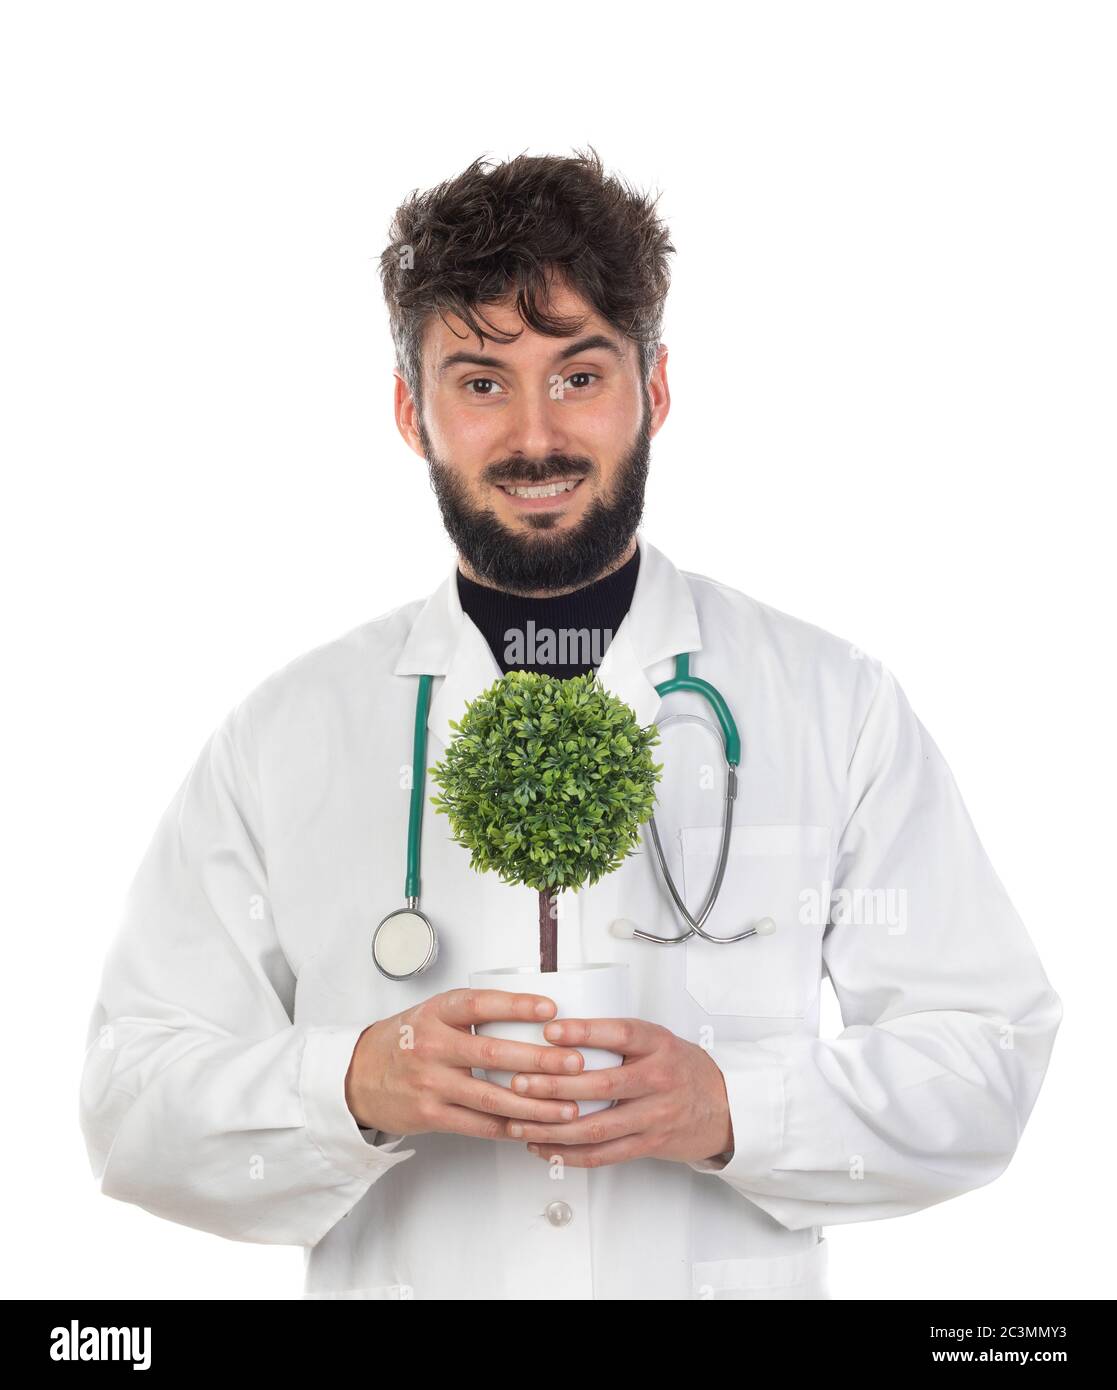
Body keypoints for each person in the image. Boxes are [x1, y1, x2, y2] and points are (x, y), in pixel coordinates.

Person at [79, 148, 1062, 1301]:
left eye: (580, 375)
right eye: (481, 382)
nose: (535, 435)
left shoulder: (831, 705)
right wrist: (347, 1085)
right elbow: (126, 1102)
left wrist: (736, 1107)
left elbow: (988, 1051)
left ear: (654, 389)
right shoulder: (287, 735)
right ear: (412, 410)